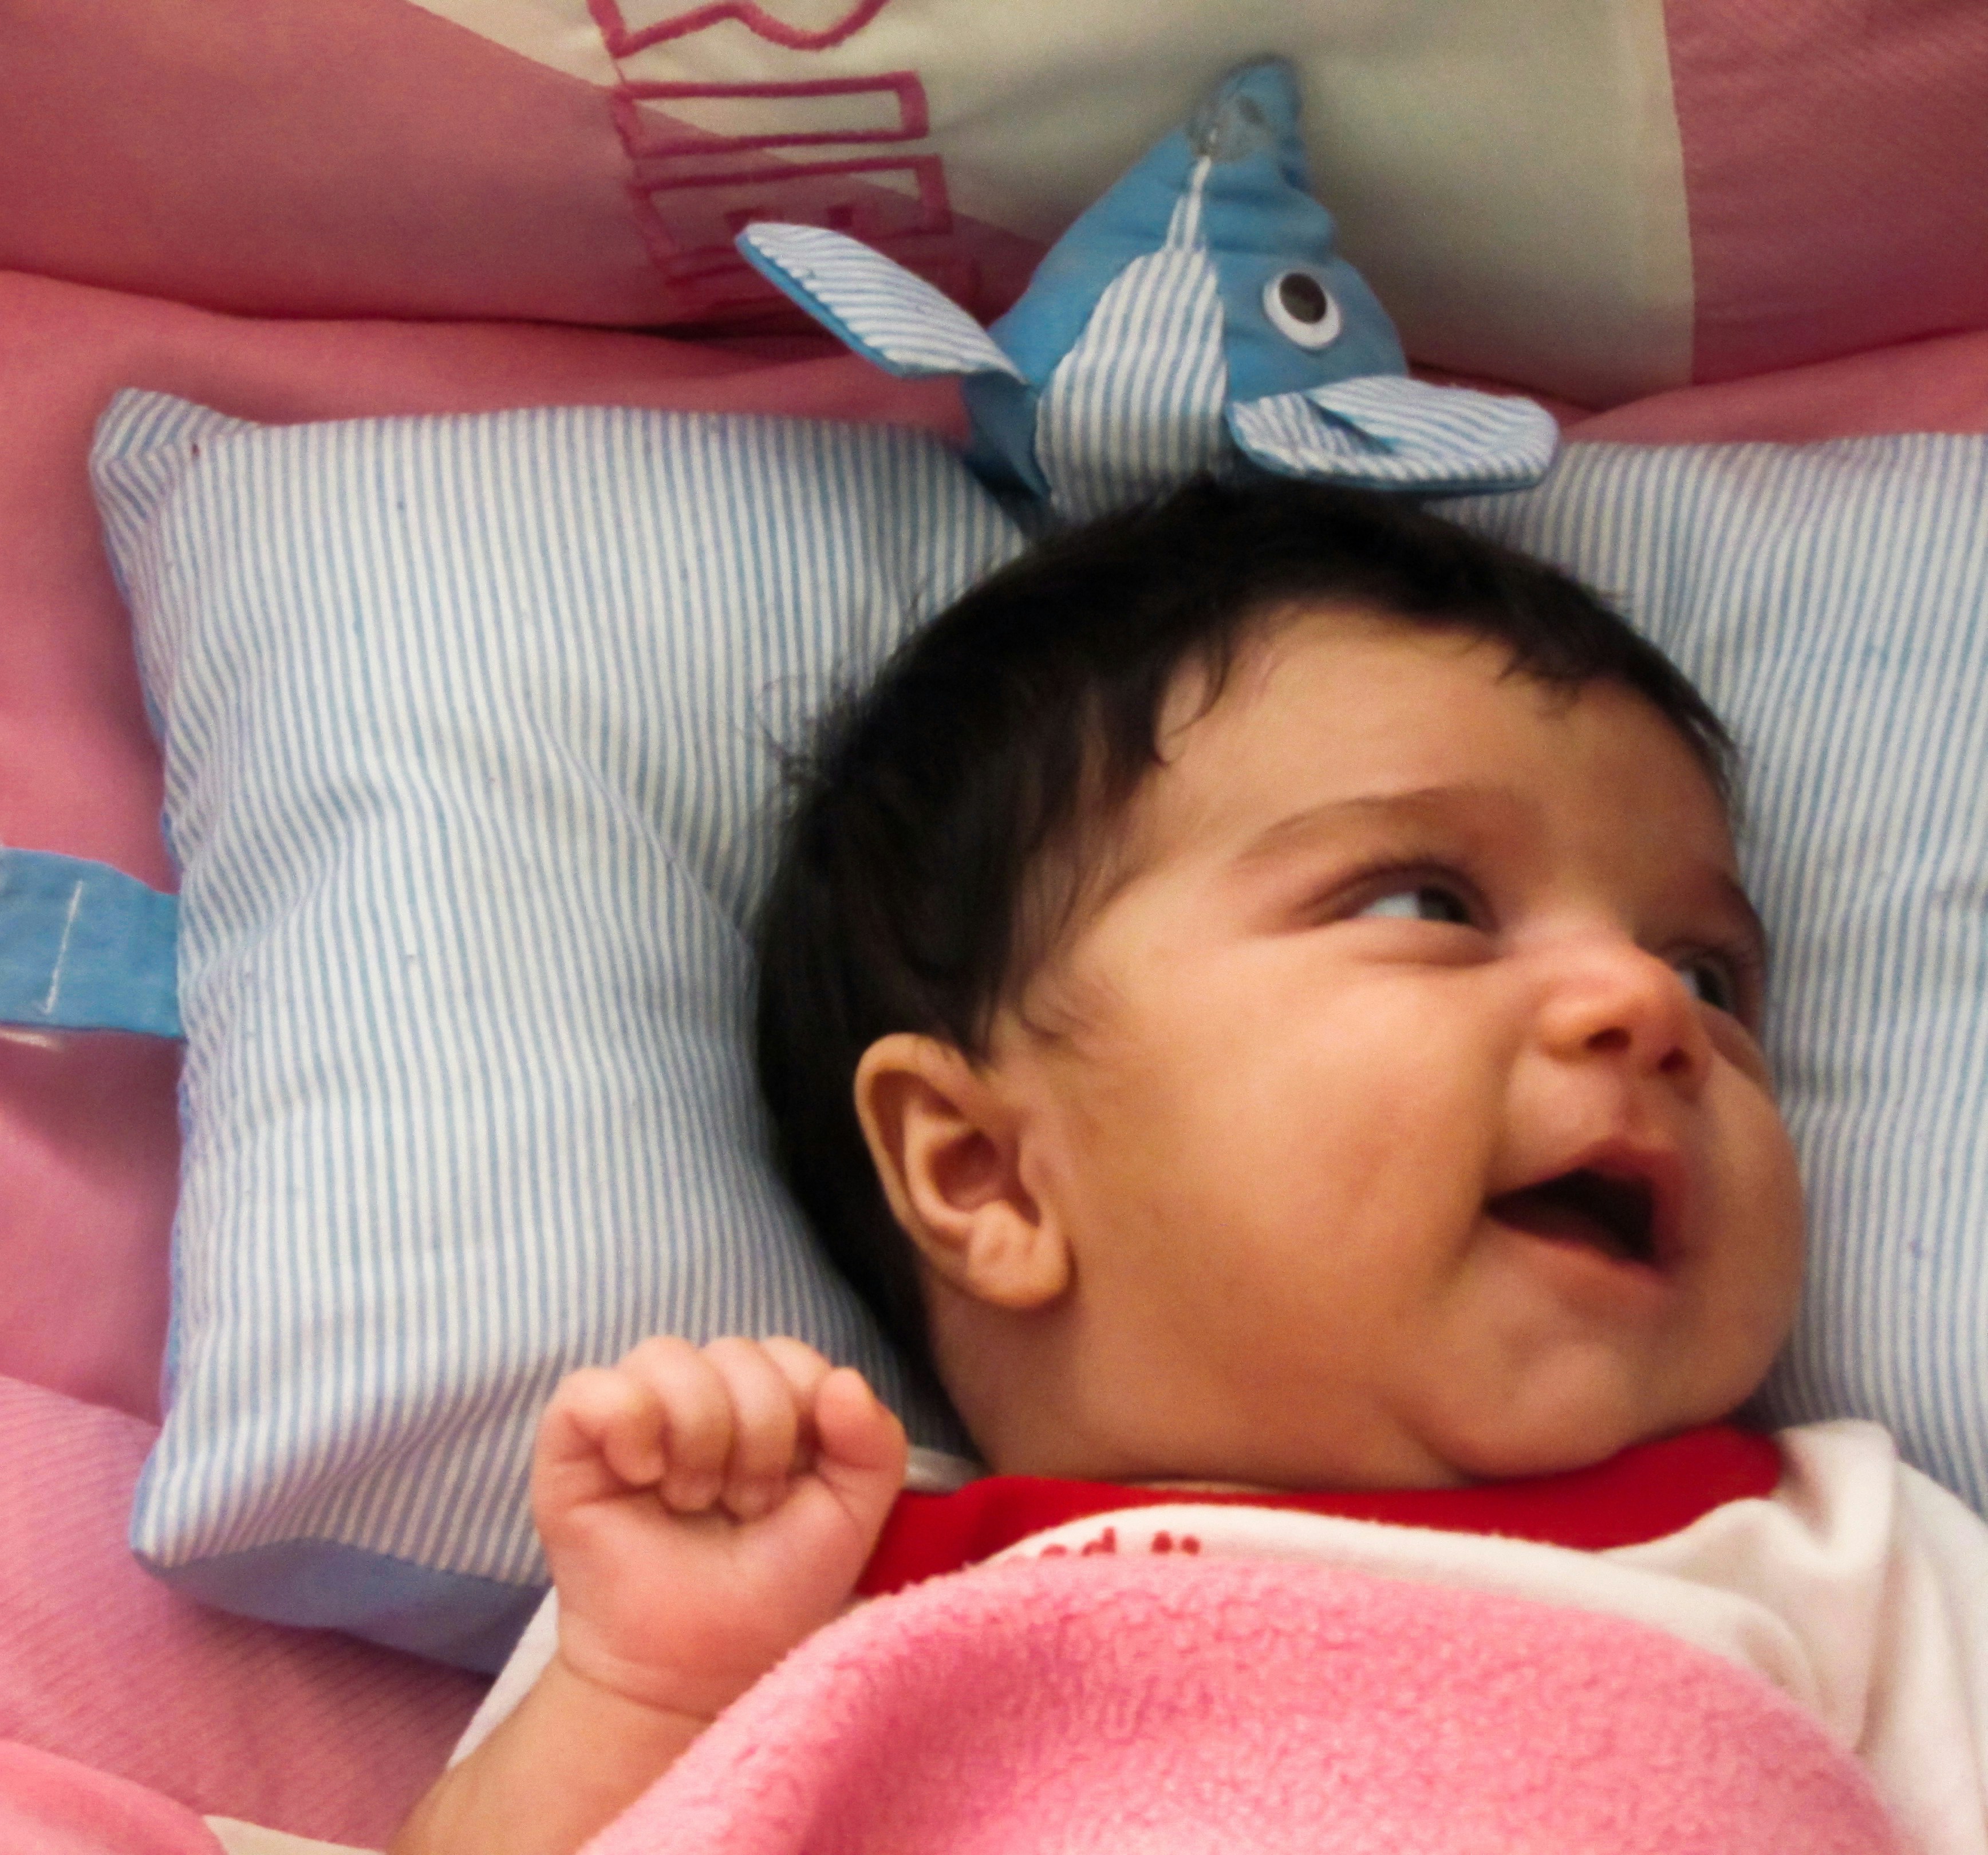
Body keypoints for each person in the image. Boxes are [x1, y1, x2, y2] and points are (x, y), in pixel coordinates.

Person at [393, 477, 1987, 1855]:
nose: (1647, 1007)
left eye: (1713, 974)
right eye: (1428, 906)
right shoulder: (780, 1587)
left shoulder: (1851, 1555)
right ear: (986, 1174)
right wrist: (642, 1691)